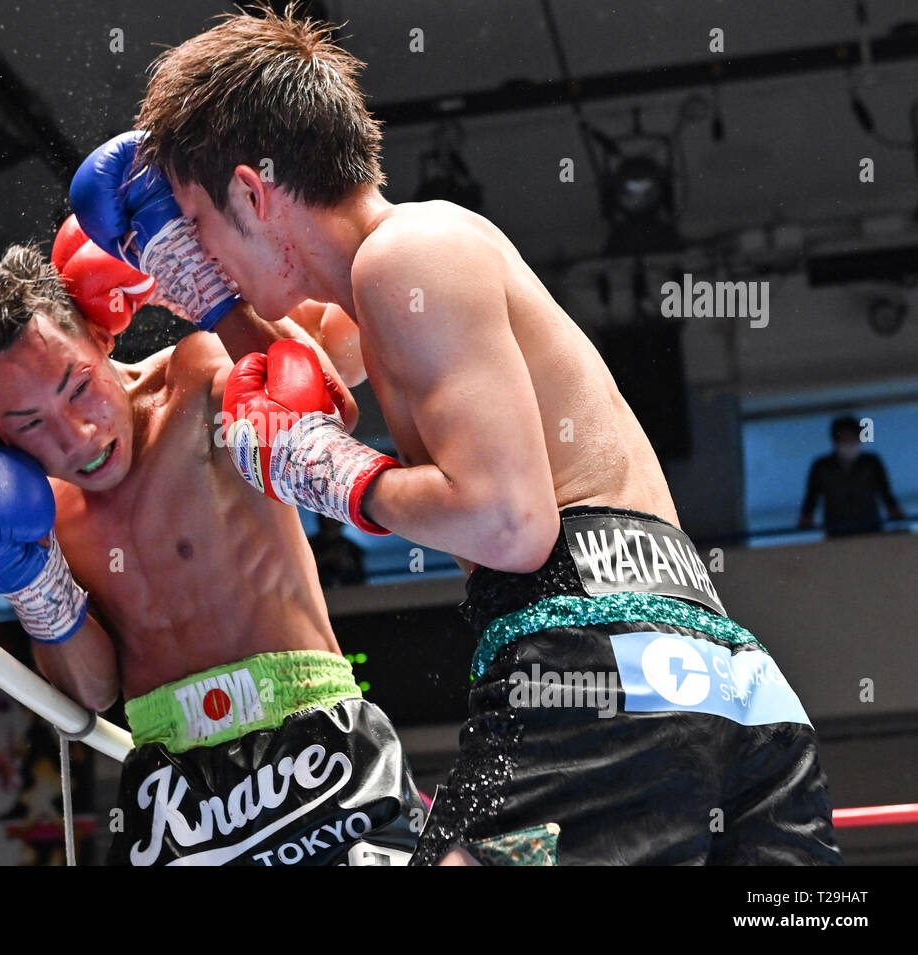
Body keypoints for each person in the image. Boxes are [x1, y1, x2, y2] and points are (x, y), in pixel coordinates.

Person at [73, 5, 842, 865]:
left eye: (200, 228)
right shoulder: (399, 279)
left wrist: (335, 477)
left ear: (254, 190)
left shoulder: (409, 257)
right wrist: (216, 303)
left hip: (591, 664)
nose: (200, 255)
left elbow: (509, 527)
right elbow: (299, 387)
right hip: (727, 686)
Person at [0, 220, 421, 866]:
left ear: (101, 335)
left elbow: (340, 364)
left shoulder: (202, 377)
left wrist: (199, 288)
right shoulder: (33, 513)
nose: (75, 435)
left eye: (77, 388)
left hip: (314, 745)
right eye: (30, 424)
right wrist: (30, 580)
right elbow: (92, 692)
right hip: (173, 793)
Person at [799, 415, 905, 537]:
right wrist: (806, 517)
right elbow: (812, 496)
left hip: (870, 528)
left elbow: (885, 491)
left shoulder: (871, 462)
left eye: (852, 436)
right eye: (844, 437)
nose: (849, 441)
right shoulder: (822, 465)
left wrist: (894, 511)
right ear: (836, 439)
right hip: (837, 531)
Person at [309, 516, 366, 589]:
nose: (331, 521)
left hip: (347, 591)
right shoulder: (309, 544)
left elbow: (360, 576)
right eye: (326, 517)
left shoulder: (352, 547)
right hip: (317, 589)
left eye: (333, 518)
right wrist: (324, 558)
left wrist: (346, 563)